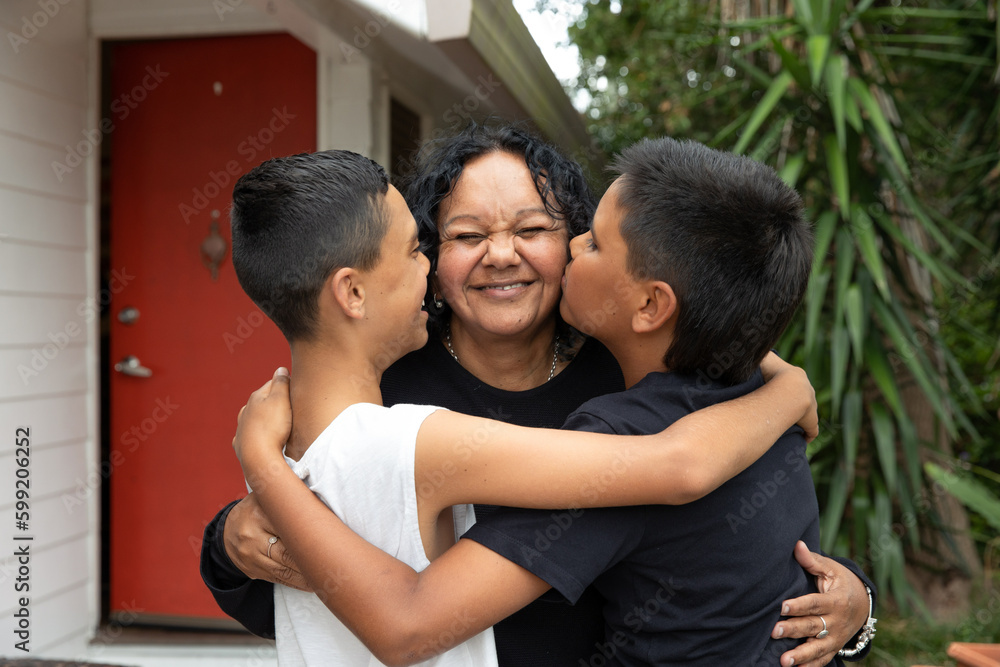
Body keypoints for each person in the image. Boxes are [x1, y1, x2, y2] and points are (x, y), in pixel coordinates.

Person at [201, 122, 873, 666]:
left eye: (536, 230)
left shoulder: (627, 379)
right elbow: (314, 599)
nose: (501, 254)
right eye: (464, 236)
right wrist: (231, 541)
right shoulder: (386, 389)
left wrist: (858, 605)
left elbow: (746, 538)